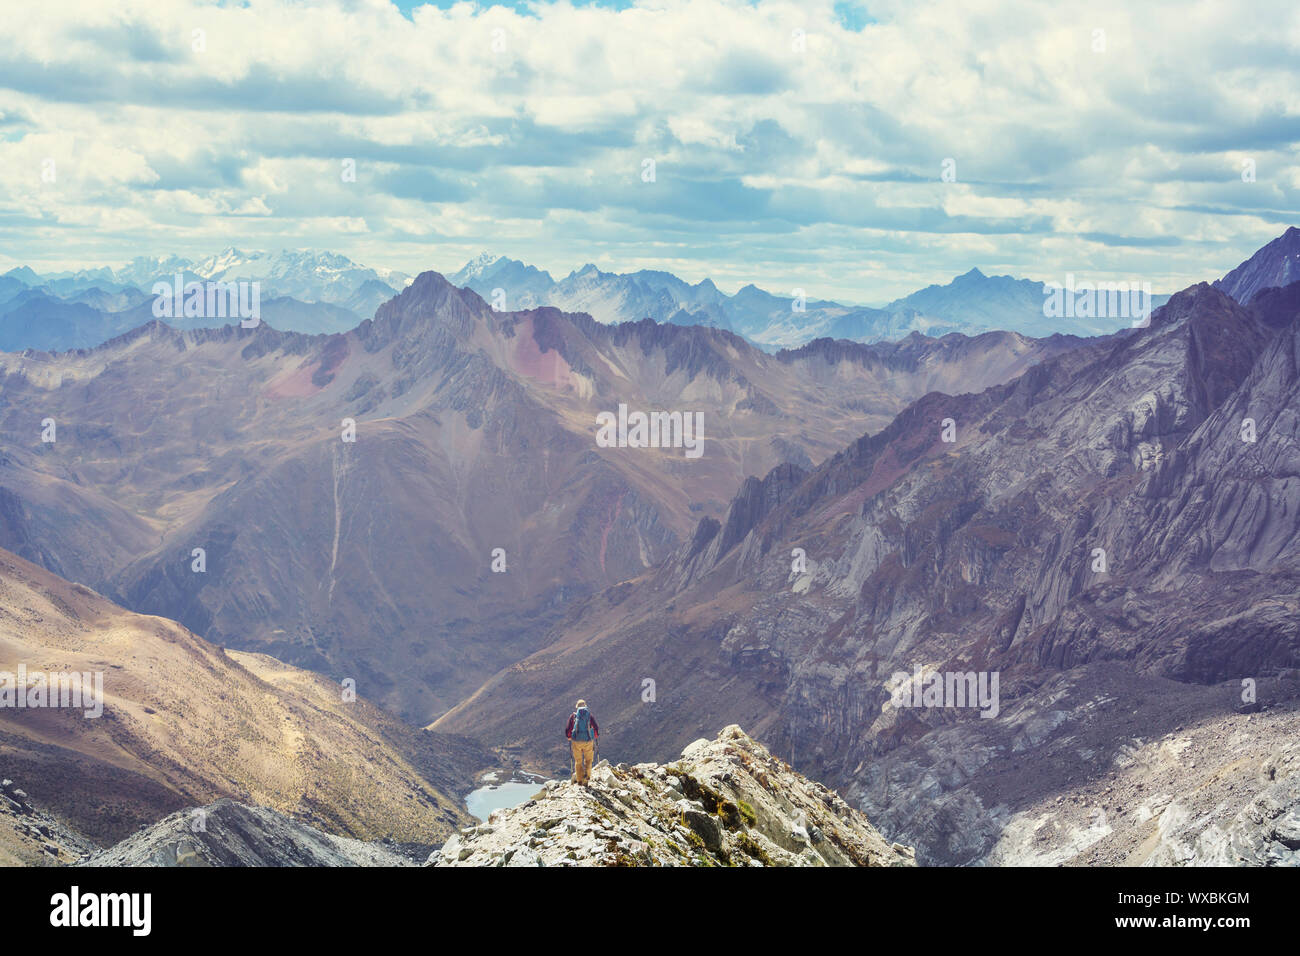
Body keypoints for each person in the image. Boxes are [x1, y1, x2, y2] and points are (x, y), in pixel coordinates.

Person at [565, 698, 599, 787]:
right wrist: (595, 736)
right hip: (588, 741)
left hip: (576, 741)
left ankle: (579, 780)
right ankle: (587, 776)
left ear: (577, 707)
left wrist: (569, 737)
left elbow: (568, 729)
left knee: (578, 761)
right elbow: (596, 727)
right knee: (588, 760)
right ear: (585, 706)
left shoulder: (573, 716)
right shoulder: (589, 716)